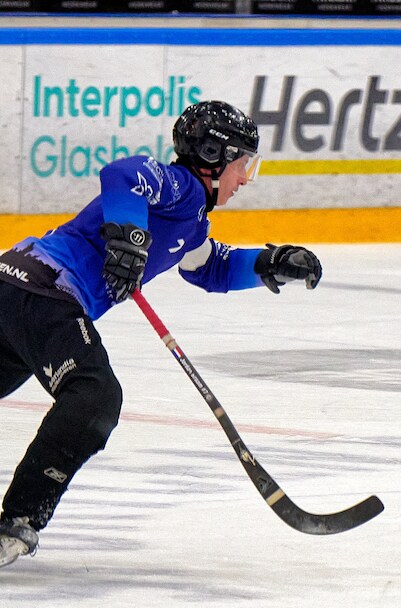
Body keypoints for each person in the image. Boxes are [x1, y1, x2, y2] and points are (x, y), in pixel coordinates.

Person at [0, 101, 324, 567]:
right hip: (45, 292)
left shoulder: (191, 220)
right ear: (214, 159)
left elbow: (209, 268)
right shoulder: (182, 189)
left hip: (13, 285)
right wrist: (129, 237)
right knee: (93, 401)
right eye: (242, 164)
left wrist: (268, 264)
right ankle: (19, 519)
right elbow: (123, 172)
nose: (245, 179)